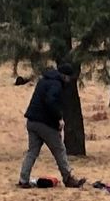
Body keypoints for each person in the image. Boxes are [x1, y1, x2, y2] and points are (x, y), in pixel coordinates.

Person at [19, 58, 85, 189]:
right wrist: (59, 118)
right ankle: (68, 178)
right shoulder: (56, 84)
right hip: (45, 123)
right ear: (65, 76)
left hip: (31, 121)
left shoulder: (44, 80)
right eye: (69, 78)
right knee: (59, 150)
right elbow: (50, 101)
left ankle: (23, 179)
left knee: (32, 152)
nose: (69, 81)